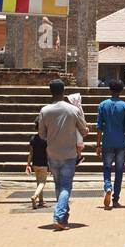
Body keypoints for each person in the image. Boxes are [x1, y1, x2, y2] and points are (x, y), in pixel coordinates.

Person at [37, 79, 89, 230]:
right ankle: (59, 216)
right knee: (66, 185)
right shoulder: (73, 110)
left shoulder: (45, 110)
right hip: (69, 153)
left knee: (58, 184)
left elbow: (41, 134)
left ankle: (64, 216)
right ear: (63, 91)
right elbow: (84, 131)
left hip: (52, 152)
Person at [96, 79, 125, 208]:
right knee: (119, 171)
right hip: (121, 142)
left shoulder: (102, 105)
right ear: (121, 91)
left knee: (106, 168)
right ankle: (115, 198)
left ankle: (107, 187)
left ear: (110, 90)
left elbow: (99, 127)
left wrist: (98, 144)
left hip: (107, 142)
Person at [25, 127, 49, 210]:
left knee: (38, 182)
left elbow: (31, 153)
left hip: (35, 164)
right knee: (42, 182)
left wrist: (28, 164)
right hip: (43, 163)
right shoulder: (46, 139)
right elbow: (47, 153)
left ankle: (41, 201)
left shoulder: (33, 138)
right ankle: (35, 196)